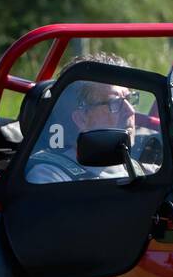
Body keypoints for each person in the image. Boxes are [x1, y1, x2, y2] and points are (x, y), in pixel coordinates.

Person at [24, 53, 159, 184]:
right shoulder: (49, 177)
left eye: (129, 98)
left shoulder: (149, 172)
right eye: (115, 102)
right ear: (81, 118)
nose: (130, 111)